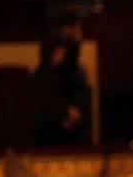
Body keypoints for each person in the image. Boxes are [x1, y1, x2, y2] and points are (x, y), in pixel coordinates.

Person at [33, 11, 91, 145]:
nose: (80, 34)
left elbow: (77, 91)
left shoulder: (72, 66)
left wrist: (74, 113)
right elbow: (46, 98)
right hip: (52, 126)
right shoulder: (44, 73)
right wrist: (66, 111)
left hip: (71, 121)